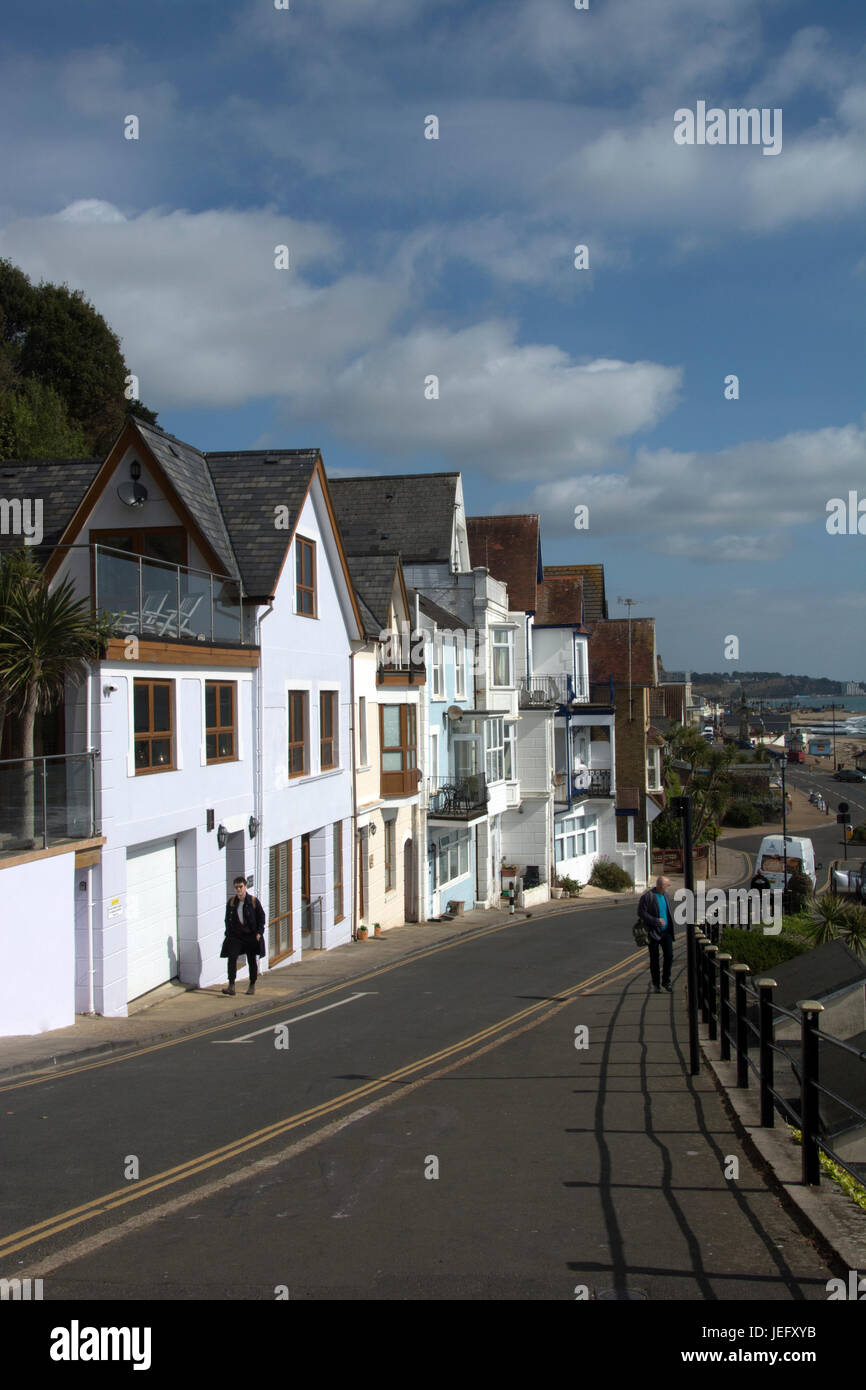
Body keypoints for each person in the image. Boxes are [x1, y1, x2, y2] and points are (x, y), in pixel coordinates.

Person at [221, 876, 266, 996]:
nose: (239, 890)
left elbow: (261, 917)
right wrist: (228, 934)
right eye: (236, 887)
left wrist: (259, 933)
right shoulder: (231, 902)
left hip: (250, 936)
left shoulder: (253, 901)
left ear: (245, 886)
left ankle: (252, 984)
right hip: (236, 936)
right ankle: (231, 985)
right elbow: (227, 919)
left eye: (240, 887)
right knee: (232, 958)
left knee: (251, 960)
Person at [638, 874, 676, 994]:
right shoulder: (648, 897)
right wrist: (655, 921)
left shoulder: (666, 895)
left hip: (666, 932)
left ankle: (666, 981)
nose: (669, 887)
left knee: (669, 956)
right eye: (667, 885)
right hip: (653, 933)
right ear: (660, 886)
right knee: (654, 959)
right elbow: (641, 912)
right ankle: (656, 984)